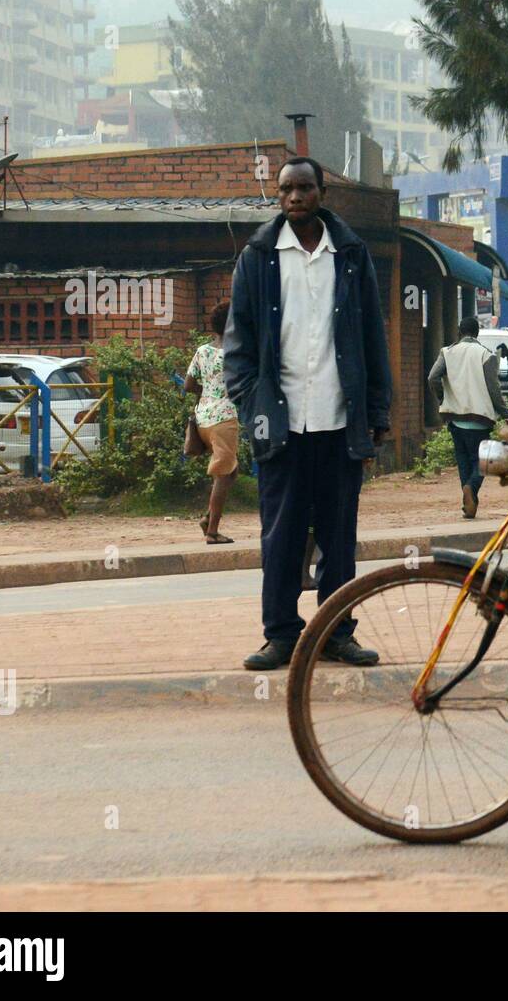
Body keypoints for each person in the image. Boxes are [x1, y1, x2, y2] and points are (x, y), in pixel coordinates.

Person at [225, 156, 391, 672]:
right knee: (282, 535)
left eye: (305, 188)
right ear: (278, 196)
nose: (295, 197)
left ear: (323, 192)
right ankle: (280, 635)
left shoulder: (350, 253)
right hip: (280, 423)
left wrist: (377, 410)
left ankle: (337, 632)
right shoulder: (258, 257)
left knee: (339, 537)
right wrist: (253, 406)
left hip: (340, 422)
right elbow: (239, 345)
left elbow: (372, 337)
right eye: (286, 190)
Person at [428, 316, 508, 519]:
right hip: (480, 419)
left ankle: (468, 500)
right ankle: (471, 488)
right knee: (482, 462)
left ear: (459, 331)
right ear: (477, 333)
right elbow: (494, 389)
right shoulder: (486, 355)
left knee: (463, 460)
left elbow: (432, 377)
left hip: (455, 419)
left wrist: (443, 398)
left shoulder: (447, 353)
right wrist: (507, 413)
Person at [185, 301, 240, 545]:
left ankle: (209, 518)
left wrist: (207, 391)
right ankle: (212, 531)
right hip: (224, 419)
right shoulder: (236, 353)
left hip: (202, 419)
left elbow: (188, 385)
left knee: (231, 470)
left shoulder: (203, 351)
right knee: (223, 474)